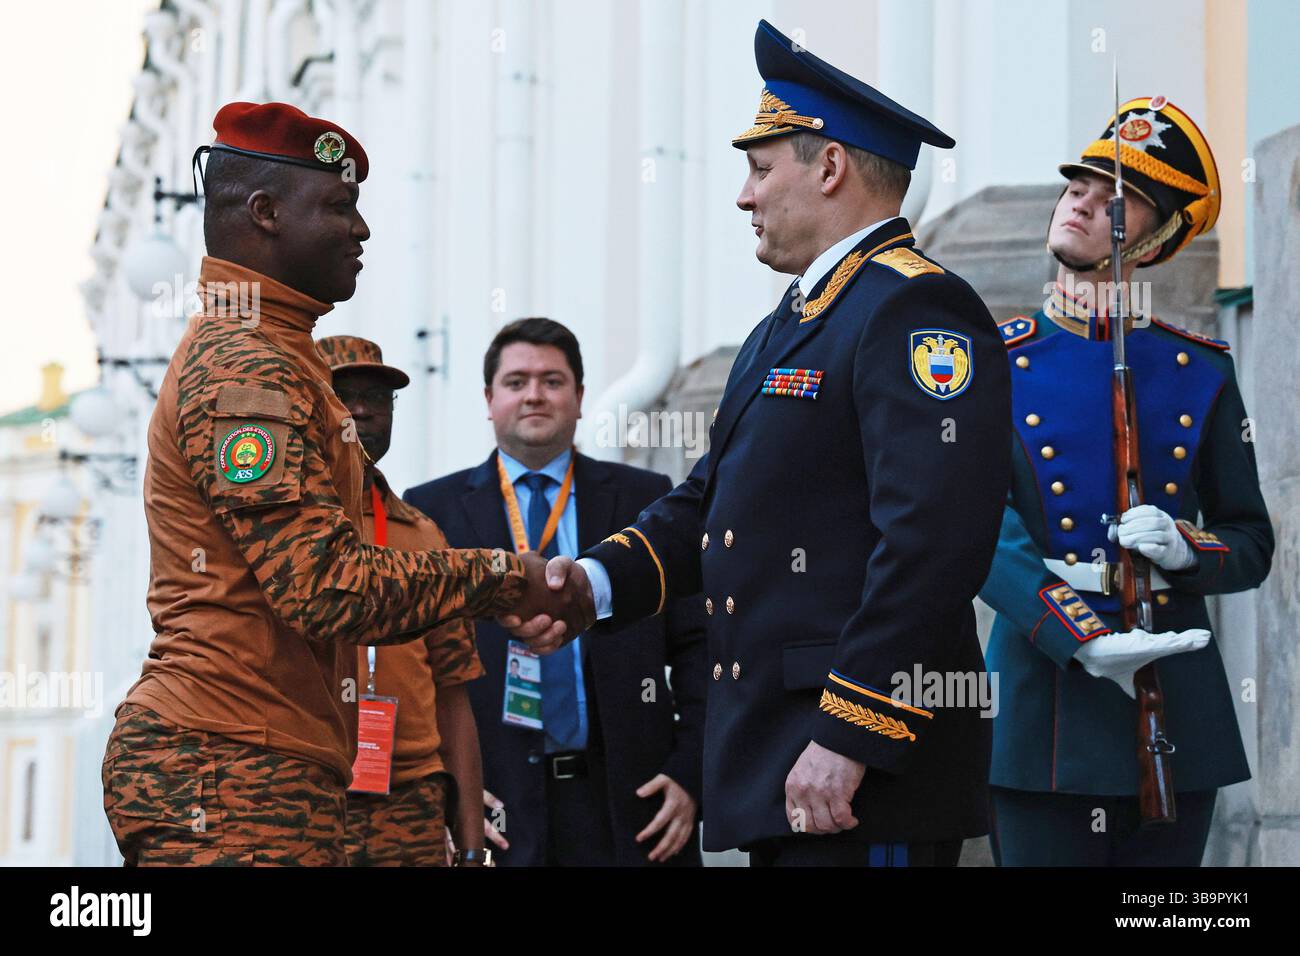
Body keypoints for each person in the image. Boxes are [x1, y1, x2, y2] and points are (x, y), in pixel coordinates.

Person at [508, 21, 1012, 866]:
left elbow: (933, 542)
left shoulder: (915, 309)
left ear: (829, 166)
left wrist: (852, 733)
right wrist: (590, 583)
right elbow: (713, 506)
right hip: (785, 769)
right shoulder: (792, 322)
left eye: (759, 168)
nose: (744, 197)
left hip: (860, 780)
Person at [101, 102, 584, 866]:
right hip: (223, 766)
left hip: (262, 760)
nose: (360, 231)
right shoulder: (246, 365)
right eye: (339, 207)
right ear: (264, 214)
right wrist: (503, 576)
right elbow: (322, 586)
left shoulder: (277, 352)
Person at [977, 97, 1273, 866]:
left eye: (1119, 196)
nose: (1083, 199)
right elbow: (972, 527)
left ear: (1160, 235)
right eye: (1078, 183)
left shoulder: (1200, 370)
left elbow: (1250, 540)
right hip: (1046, 702)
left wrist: (1184, 548)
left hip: (1178, 708)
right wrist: (1080, 638)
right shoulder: (991, 361)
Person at [405, 318, 707, 867]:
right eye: (516, 382)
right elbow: (412, 667)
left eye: (552, 380)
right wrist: (444, 785)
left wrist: (692, 772)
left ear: (581, 397)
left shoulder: (648, 501)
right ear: (488, 399)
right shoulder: (432, 511)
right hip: (493, 805)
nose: (535, 395)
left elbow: (700, 647)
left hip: (631, 805)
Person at [313, 334, 489, 866]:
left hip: (411, 800)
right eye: (345, 394)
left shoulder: (421, 536)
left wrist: (473, 846)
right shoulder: (284, 529)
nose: (363, 408)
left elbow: (453, 696)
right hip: (307, 793)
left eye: (378, 396)